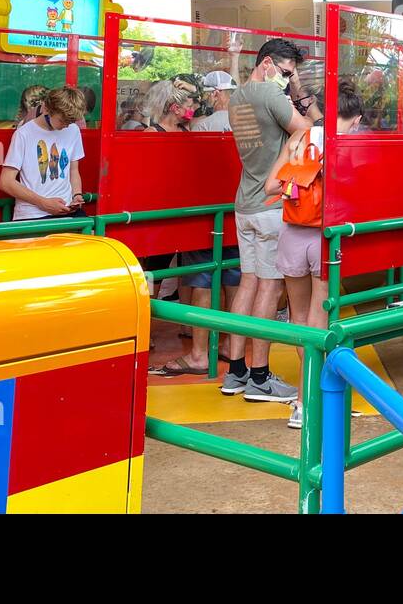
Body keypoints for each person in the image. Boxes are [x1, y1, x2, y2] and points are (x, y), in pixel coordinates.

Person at [220, 39, 317, 404]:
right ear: (268, 65)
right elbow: (309, 128)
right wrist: (297, 93)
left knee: (248, 283)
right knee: (270, 288)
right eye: (287, 71)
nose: (289, 77)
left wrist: (234, 60)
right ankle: (260, 376)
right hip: (273, 204)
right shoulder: (270, 94)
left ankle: (236, 371)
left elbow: (241, 82)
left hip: (244, 202)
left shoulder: (239, 95)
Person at [265, 80, 364, 428]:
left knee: (300, 317)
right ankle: (318, 400)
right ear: (355, 117)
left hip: (292, 233)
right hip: (327, 239)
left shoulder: (298, 139)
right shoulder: (348, 144)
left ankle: (302, 402)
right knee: (322, 320)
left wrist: (299, 179)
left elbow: (271, 186)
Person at [151, 77, 241, 378]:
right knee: (200, 279)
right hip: (196, 215)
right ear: (174, 106)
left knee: (209, 280)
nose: (193, 107)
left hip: (198, 215)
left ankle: (205, 350)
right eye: (188, 103)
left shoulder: (194, 129)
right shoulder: (156, 134)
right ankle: (216, 345)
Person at [0, 87, 87, 220]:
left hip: (67, 210)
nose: (66, 126)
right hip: (32, 214)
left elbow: (73, 171)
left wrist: (77, 195)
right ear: (46, 109)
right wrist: (43, 203)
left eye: (70, 122)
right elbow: (6, 182)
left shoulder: (73, 130)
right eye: (62, 121)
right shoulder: (23, 134)